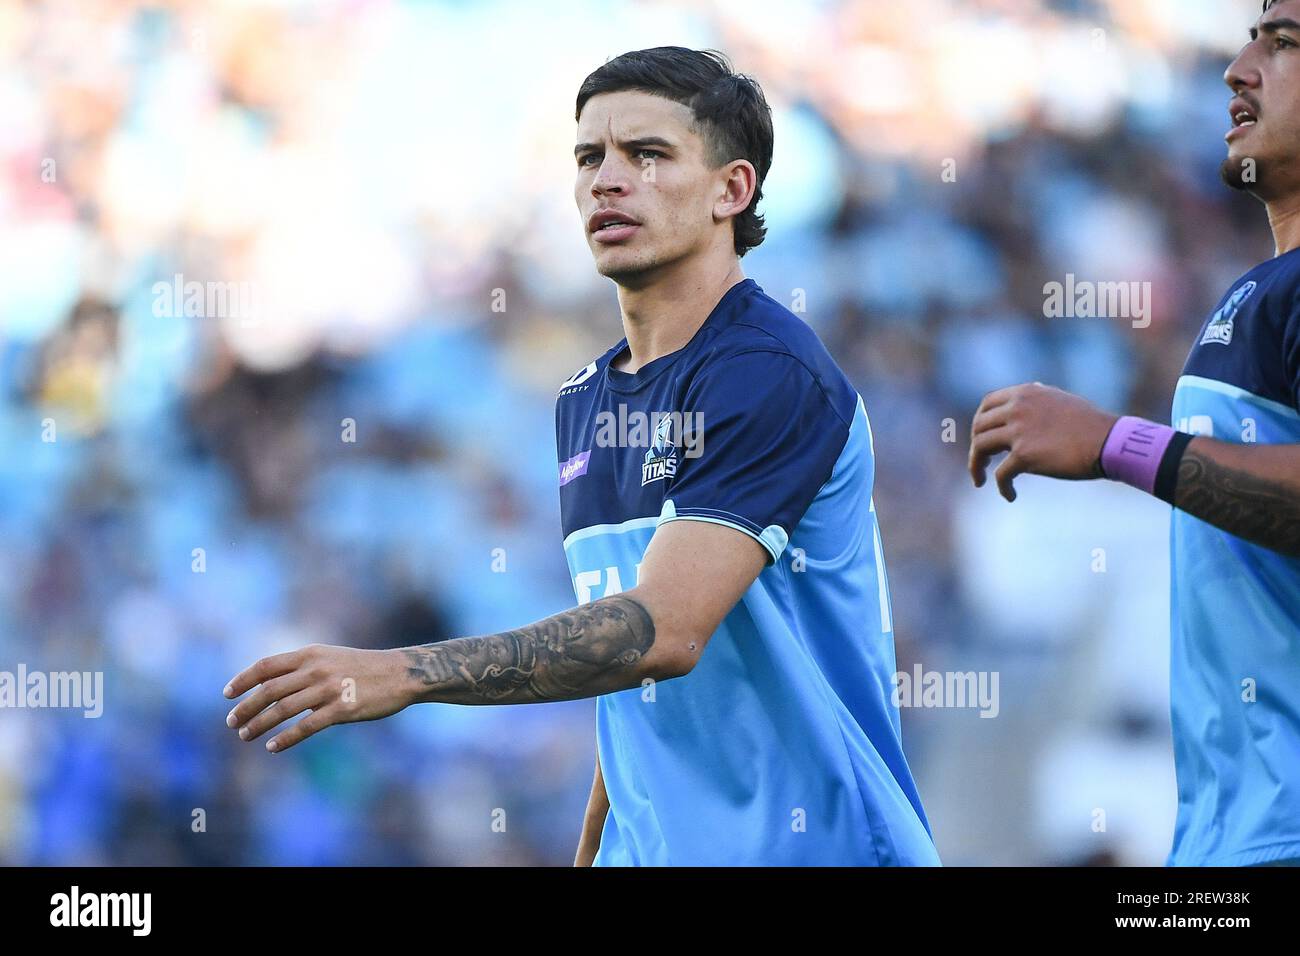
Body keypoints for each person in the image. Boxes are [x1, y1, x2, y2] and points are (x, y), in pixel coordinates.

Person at [224, 46, 938, 867]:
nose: (607, 179)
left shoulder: (766, 371)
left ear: (730, 191)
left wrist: (404, 674)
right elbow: (635, 679)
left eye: (648, 155)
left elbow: (664, 630)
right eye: (589, 157)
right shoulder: (585, 400)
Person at [968, 0, 1300, 867]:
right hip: (1228, 838)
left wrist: (1118, 445)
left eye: (1286, 43)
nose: (1239, 68)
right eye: (1249, 38)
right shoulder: (1262, 292)